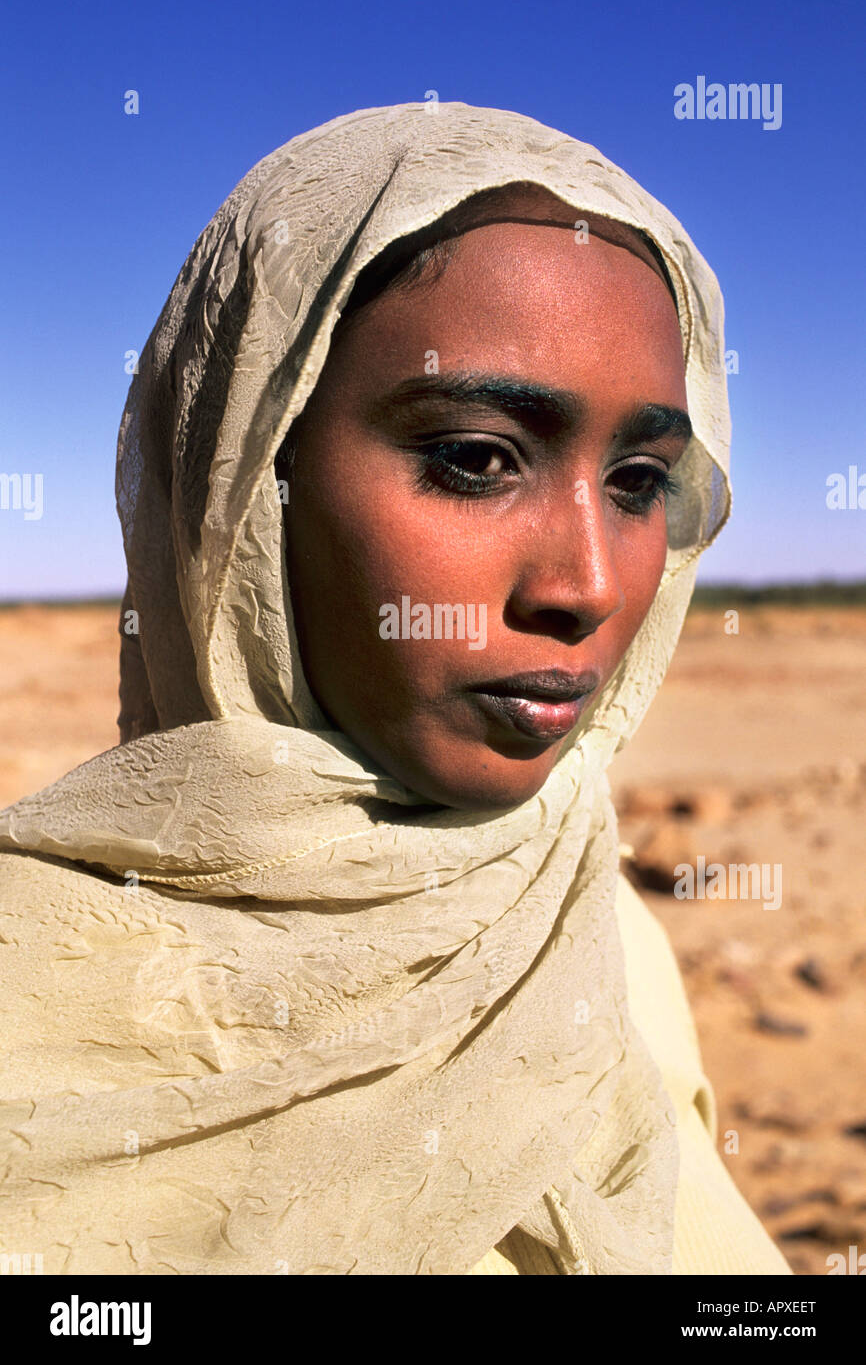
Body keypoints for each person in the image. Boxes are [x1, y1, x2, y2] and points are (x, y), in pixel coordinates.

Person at [0, 101, 790, 1275]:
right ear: (243, 482)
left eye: (635, 481)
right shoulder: (36, 1004)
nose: (586, 584)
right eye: (476, 459)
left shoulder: (590, 918)